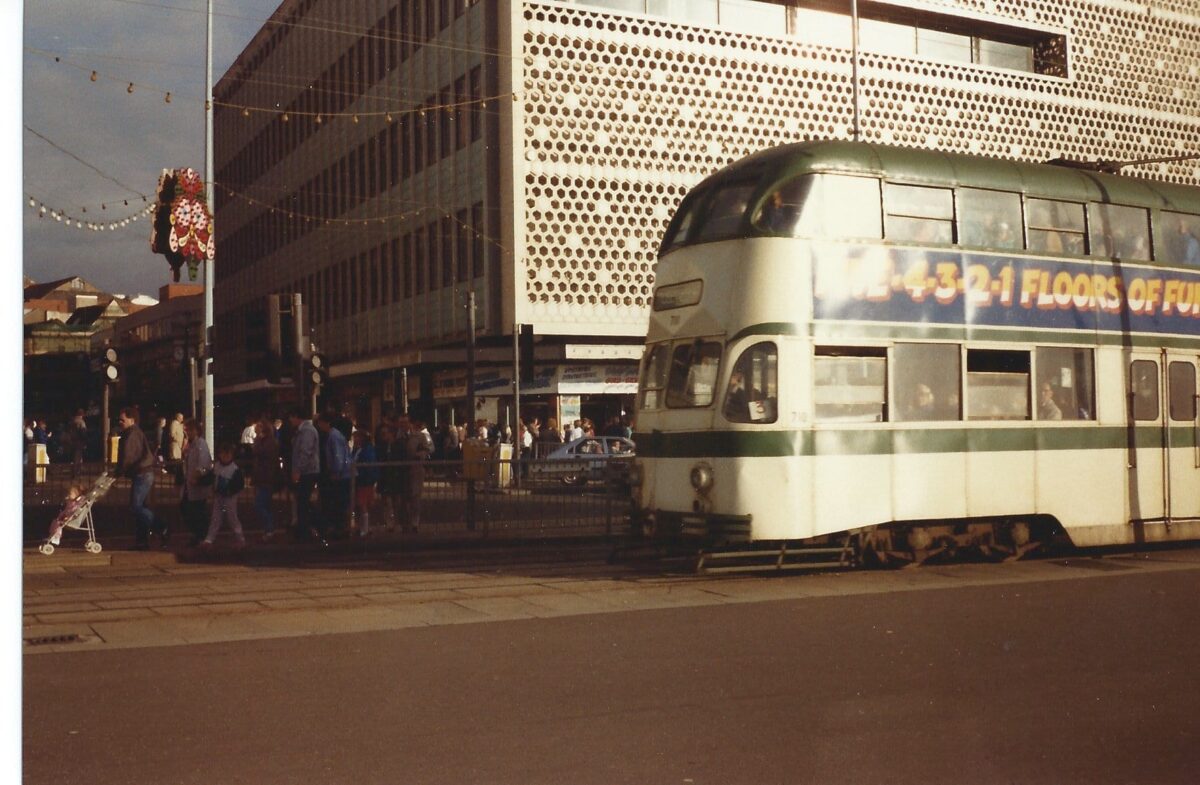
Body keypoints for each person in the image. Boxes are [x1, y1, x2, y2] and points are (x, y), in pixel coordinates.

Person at [116, 407, 169, 550]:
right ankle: (142, 541)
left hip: (142, 473)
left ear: (131, 420)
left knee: (136, 507)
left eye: (123, 419)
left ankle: (160, 526)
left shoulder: (131, 434)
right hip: (143, 472)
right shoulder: (134, 432)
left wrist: (118, 472)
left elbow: (127, 456)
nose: (120, 422)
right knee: (141, 508)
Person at [288, 408, 323, 544]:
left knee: (303, 501)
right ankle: (309, 528)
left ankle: (310, 529)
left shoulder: (307, 431)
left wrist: (298, 470)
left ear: (296, 416)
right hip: (307, 470)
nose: (290, 421)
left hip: (307, 471)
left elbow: (305, 452)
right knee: (303, 501)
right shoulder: (304, 430)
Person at [202, 443, 246, 548]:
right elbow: (210, 477)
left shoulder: (234, 469)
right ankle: (209, 539)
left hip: (230, 497)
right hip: (219, 495)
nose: (225, 457)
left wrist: (231, 490)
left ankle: (240, 539)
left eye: (228, 454)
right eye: (223, 454)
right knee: (216, 518)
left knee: (232, 518)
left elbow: (239, 484)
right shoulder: (218, 466)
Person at [318, 411, 352, 538]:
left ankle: (341, 529)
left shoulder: (333, 436)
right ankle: (341, 528)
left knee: (339, 503)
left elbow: (338, 456)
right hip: (342, 473)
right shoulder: (335, 435)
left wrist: (336, 471)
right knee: (340, 503)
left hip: (340, 475)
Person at [179, 418, 212, 547]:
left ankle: (201, 536)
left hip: (196, 484)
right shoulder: (191, 445)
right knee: (188, 509)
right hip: (189, 484)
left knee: (197, 511)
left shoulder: (200, 444)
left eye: (190, 429)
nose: (187, 432)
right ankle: (197, 535)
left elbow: (204, 464)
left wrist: (196, 475)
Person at [251, 418, 281, 542]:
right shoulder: (267, 441)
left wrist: (257, 439)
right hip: (264, 477)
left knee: (259, 504)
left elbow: (258, 451)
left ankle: (269, 528)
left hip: (266, 477)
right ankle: (268, 529)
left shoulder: (268, 442)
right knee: (265, 504)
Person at [399, 417, 431, 533]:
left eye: (405, 422)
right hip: (402, 470)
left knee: (415, 496)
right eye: (401, 423)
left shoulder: (419, 436)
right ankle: (405, 522)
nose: (403, 425)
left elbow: (429, 449)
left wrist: (420, 455)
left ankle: (415, 522)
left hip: (416, 469)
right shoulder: (398, 436)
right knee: (404, 497)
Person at [350, 429, 378, 538]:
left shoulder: (367, 450)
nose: (355, 440)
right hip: (359, 480)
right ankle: (360, 527)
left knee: (363, 505)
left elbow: (367, 465)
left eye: (357, 437)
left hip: (364, 481)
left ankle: (364, 529)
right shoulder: (357, 449)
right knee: (360, 505)